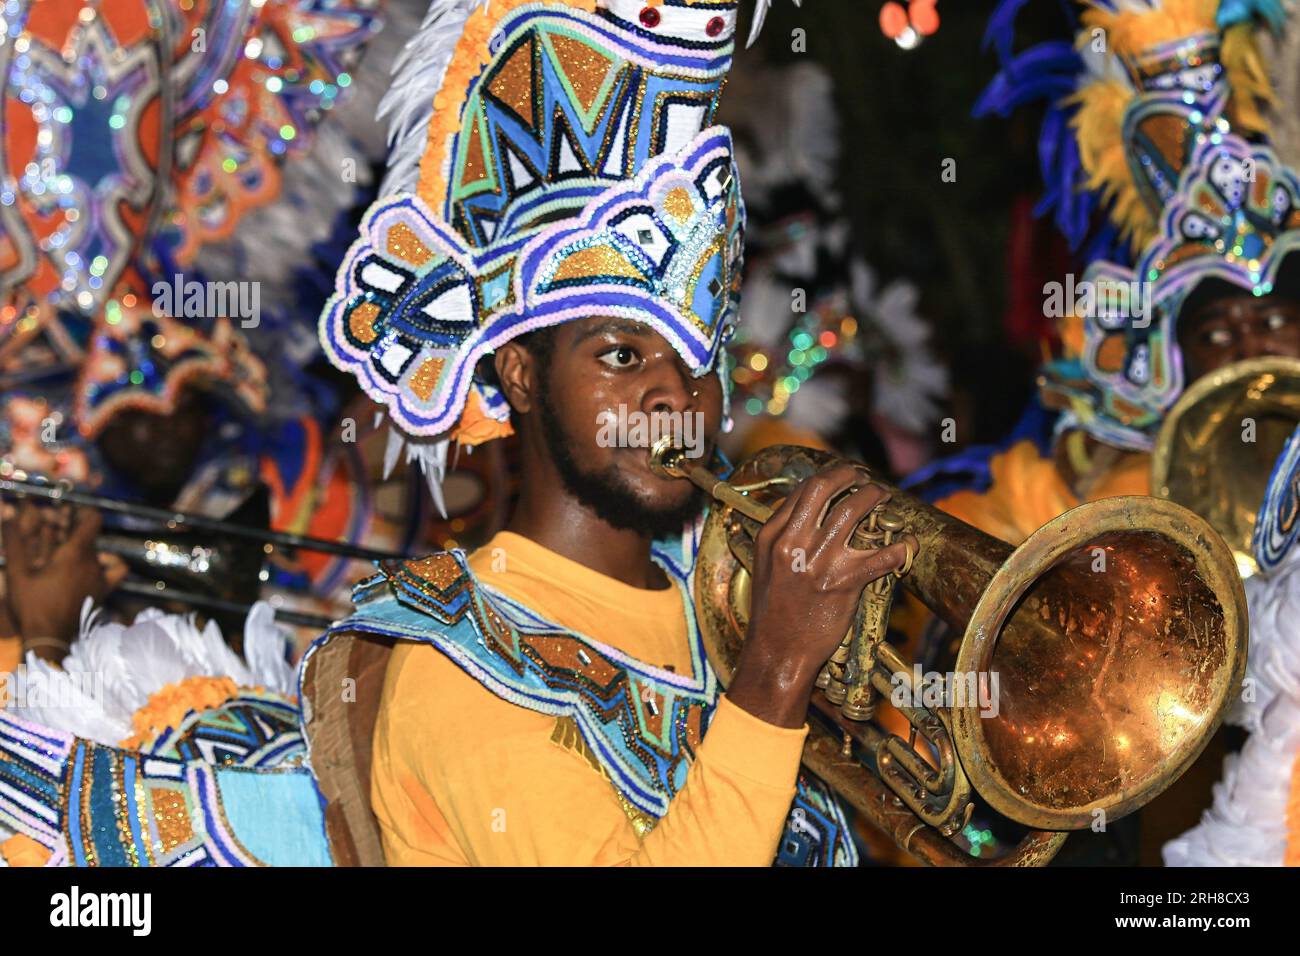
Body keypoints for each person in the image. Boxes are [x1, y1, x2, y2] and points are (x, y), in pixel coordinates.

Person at [0, 0, 909, 868]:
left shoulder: (721, 609)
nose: (672, 392)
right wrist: (780, 669)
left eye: (694, 358)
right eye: (622, 355)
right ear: (520, 373)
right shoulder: (460, 668)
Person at [928, 0, 1300, 545]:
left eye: (1273, 323)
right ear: (1170, 363)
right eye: (1216, 334)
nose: (1248, 349)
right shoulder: (1117, 498)